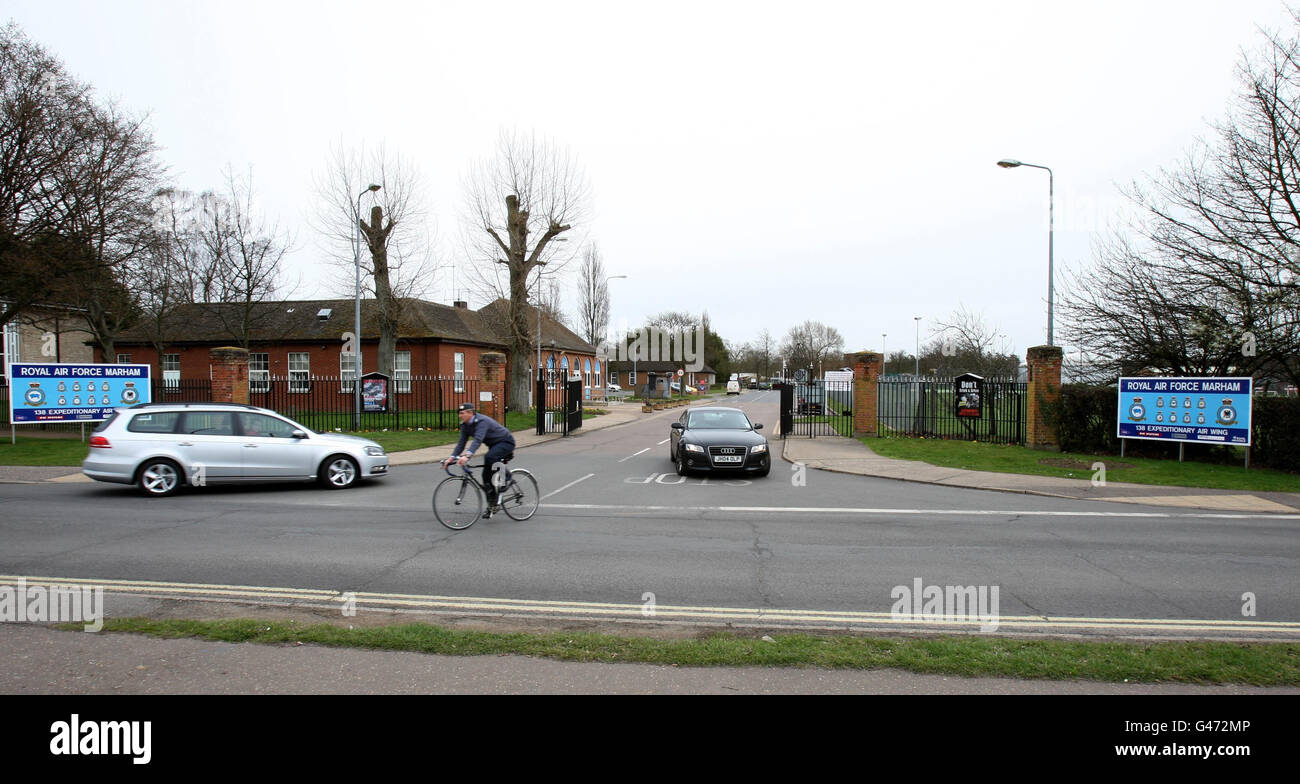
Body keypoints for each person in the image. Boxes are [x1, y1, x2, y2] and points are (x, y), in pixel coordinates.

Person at [442, 403, 516, 518]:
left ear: (470, 413)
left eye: (462, 413)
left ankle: (507, 477)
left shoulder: (482, 422)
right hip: (493, 445)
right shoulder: (465, 425)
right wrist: (451, 457)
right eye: (459, 413)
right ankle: (492, 505)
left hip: (505, 441)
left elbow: (478, 440)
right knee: (486, 477)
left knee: (490, 458)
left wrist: (467, 456)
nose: (460, 416)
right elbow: (461, 443)